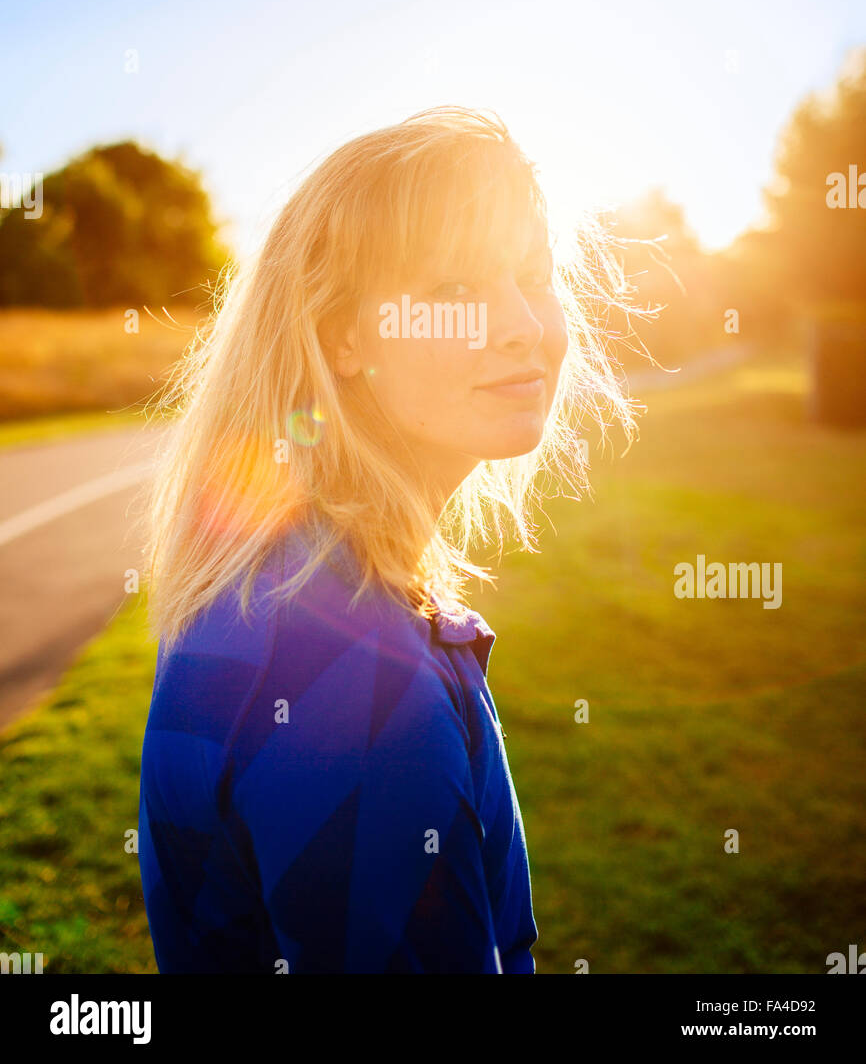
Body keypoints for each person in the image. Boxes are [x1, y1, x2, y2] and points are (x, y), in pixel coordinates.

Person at [138, 105, 634, 973]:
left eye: (532, 274)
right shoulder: (352, 684)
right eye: (454, 290)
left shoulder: (290, 584)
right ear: (342, 336)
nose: (523, 323)